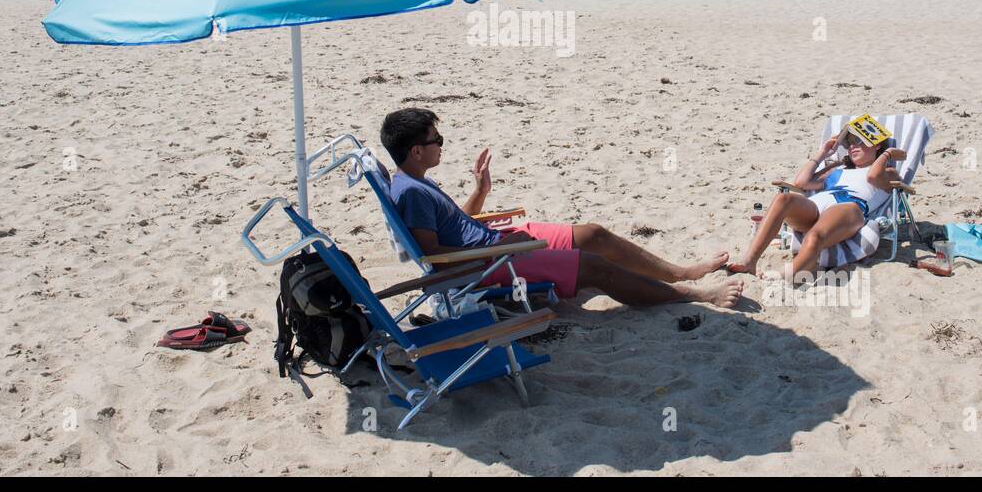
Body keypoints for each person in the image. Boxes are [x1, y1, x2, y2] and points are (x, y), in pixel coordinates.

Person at [379, 108, 744, 309]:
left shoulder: (415, 180)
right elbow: (434, 256)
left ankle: (680, 273)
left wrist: (481, 192)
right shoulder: (412, 193)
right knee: (594, 267)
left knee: (593, 234)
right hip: (490, 261)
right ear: (415, 151)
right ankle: (695, 295)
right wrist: (499, 249)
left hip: (496, 242)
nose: (441, 145)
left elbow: (454, 224)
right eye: (436, 140)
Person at [729, 127, 906, 282]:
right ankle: (749, 262)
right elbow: (801, 182)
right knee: (783, 199)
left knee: (814, 237)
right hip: (819, 203)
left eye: (859, 140)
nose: (852, 146)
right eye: (849, 142)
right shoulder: (837, 172)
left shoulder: (888, 172)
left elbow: (872, 176)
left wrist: (887, 153)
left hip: (850, 206)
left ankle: (788, 275)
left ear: (876, 144)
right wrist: (822, 153)